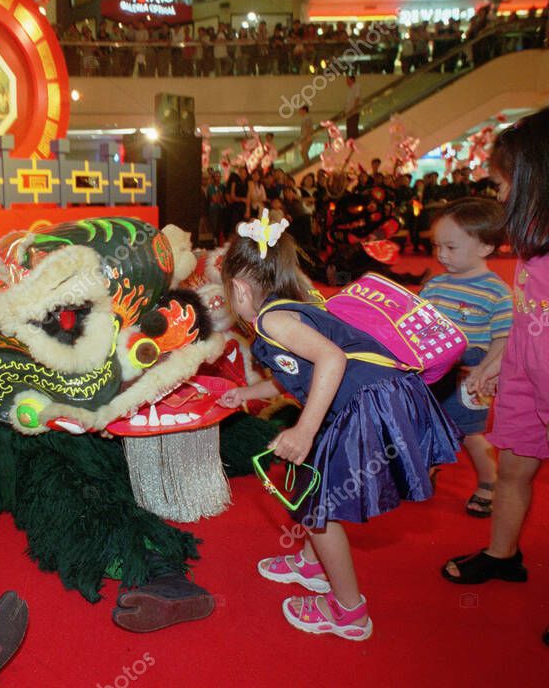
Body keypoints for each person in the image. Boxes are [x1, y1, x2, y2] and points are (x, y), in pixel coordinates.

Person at [218, 218, 458, 641]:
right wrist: (246, 394)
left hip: (368, 406)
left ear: (239, 287)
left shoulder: (275, 321)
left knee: (317, 504)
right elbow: (297, 373)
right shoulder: (287, 310)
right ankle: (313, 566)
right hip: (368, 401)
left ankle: (349, 611)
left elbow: (331, 361)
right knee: (317, 494)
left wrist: (305, 431)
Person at [442, 109, 549, 607]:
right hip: (527, 379)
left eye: (507, 183)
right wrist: (495, 363)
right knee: (513, 470)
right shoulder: (533, 245)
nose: (502, 195)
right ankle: (503, 554)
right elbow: (527, 321)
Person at [421, 198, 513, 517]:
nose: (441, 254)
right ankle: (427, 469)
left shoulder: (496, 292)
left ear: (486, 246)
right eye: (437, 246)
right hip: (433, 373)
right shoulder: (434, 285)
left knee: (472, 433)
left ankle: (489, 481)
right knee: (426, 424)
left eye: (451, 247)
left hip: (470, 378)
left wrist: (487, 370)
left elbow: (503, 337)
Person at [345, 74, 362, 139]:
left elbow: (357, 98)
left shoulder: (357, 86)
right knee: (349, 130)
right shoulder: (350, 89)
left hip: (353, 112)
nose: (346, 81)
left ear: (351, 79)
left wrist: (353, 109)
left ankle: (354, 142)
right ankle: (350, 142)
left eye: (347, 79)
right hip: (349, 113)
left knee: (353, 130)